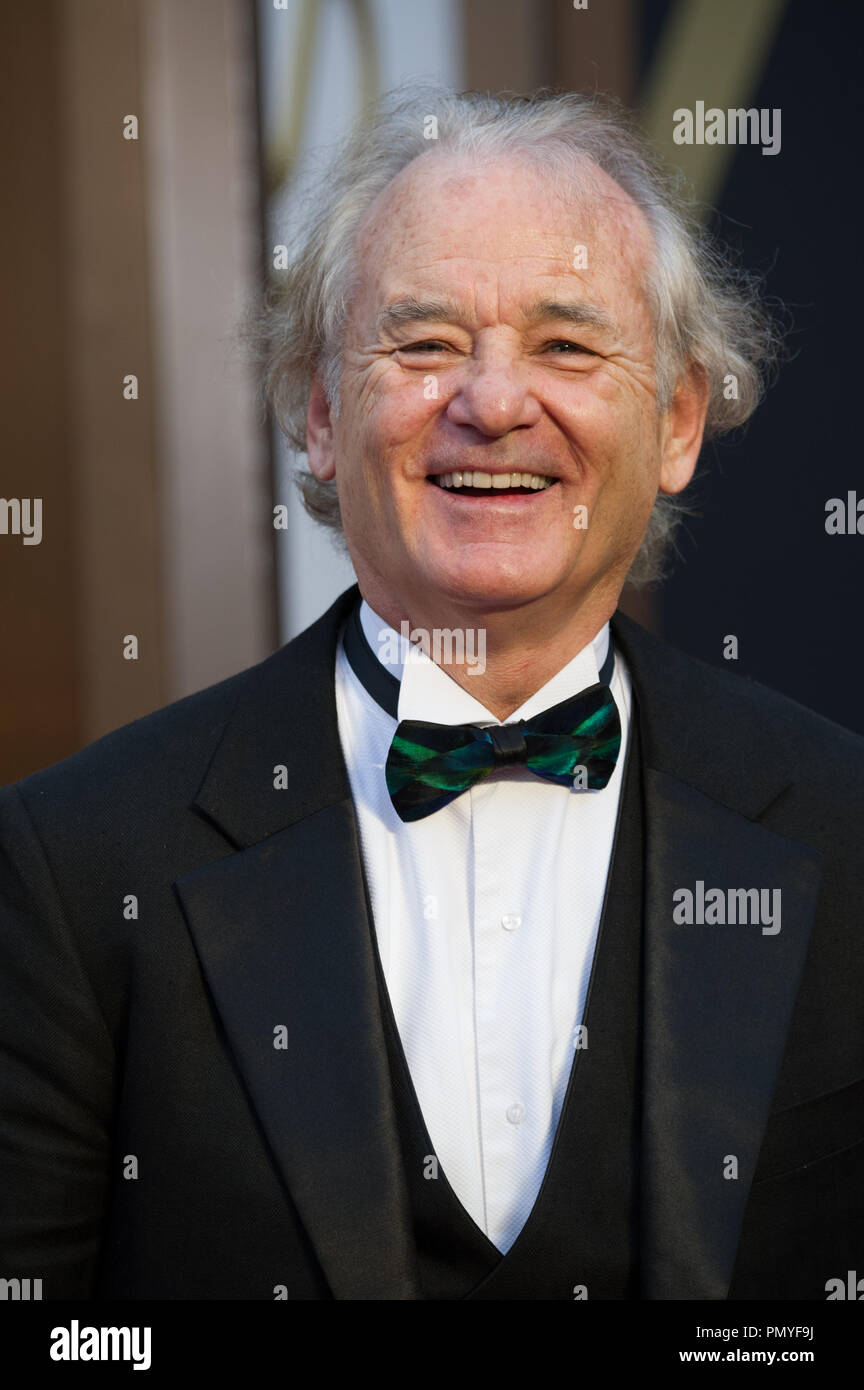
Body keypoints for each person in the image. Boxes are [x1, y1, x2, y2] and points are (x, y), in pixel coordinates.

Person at [1, 86, 862, 1302]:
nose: (494, 403)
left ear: (675, 421)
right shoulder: (74, 863)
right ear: (318, 412)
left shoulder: (845, 827)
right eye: (423, 344)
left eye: (567, 344)